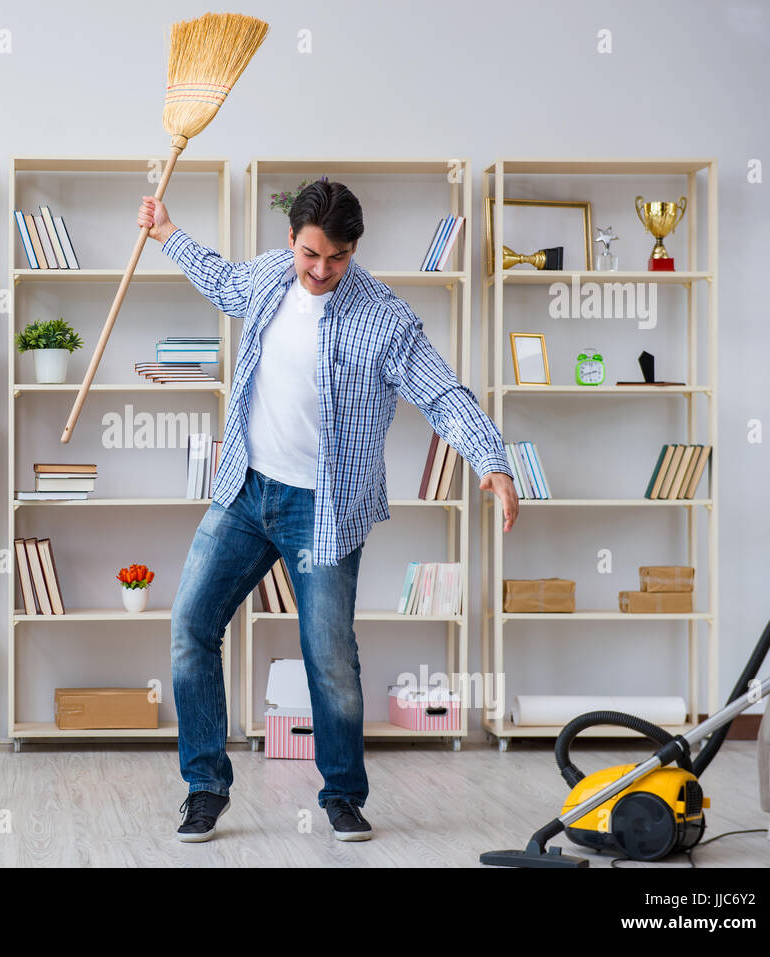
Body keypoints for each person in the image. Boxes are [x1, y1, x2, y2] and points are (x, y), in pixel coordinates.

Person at [138, 181, 519, 843]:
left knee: (330, 657)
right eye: (310, 253)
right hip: (245, 490)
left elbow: (444, 395)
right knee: (189, 629)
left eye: (336, 258)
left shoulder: (385, 319)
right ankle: (205, 787)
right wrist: (169, 232)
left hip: (326, 509)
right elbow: (223, 281)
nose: (319, 271)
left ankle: (342, 794)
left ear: (354, 250)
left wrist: (490, 458)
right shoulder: (267, 276)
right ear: (291, 240)